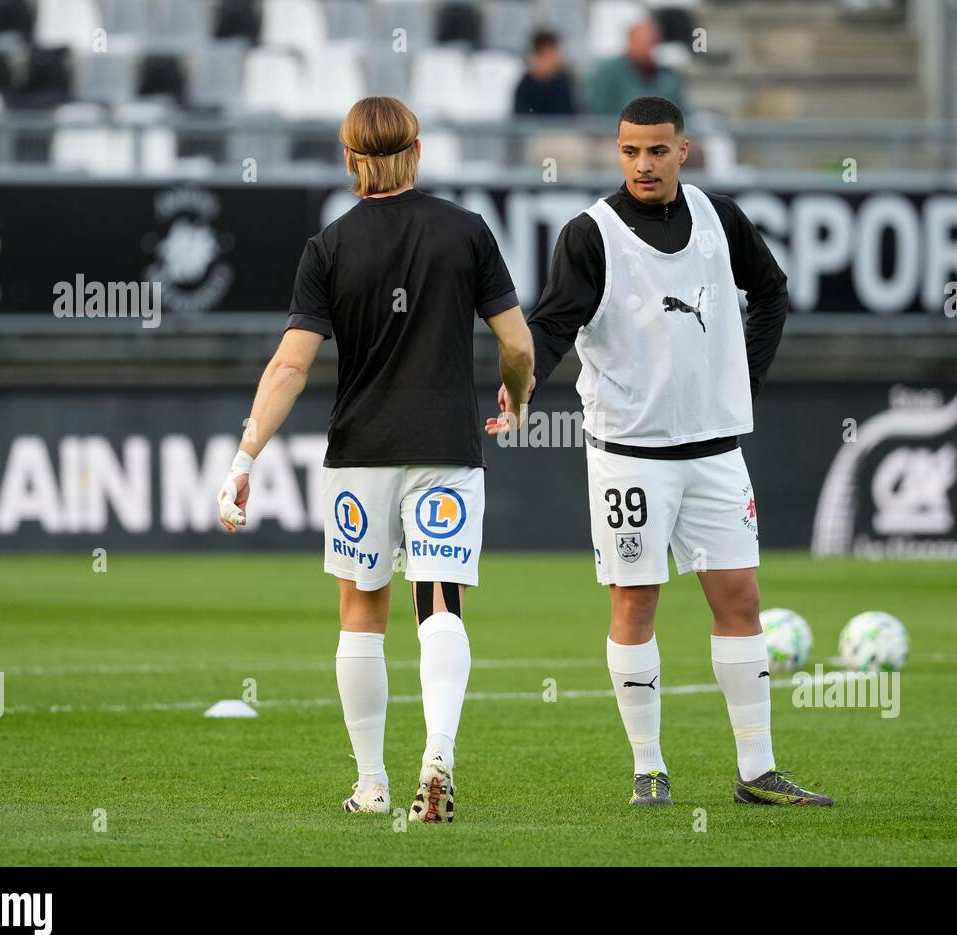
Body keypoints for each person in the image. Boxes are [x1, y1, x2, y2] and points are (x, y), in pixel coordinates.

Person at [489, 96, 831, 809]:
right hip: (630, 451)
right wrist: (519, 390)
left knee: (740, 598)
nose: (643, 164)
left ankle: (757, 770)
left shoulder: (720, 218)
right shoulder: (593, 233)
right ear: (619, 154)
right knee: (636, 601)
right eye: (629, 151)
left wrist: (746, 378)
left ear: (684, 149)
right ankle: (648, 767)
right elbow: (553, 324)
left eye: (657, 150)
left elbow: (770, 293)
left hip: (713, 452)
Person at [217, 96, 534, 823]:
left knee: (361, 612)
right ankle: (440, 753)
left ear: (349, 159)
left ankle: (372, 784)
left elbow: (290, 368)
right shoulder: (468, 232)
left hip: (360, 450)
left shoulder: (327, 247)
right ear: (416, 153)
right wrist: (515, 400)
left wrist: (244, 456)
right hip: (446, 447)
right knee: (440, 600)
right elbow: (517, 345)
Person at [586, 19, 685, 118]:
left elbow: (682, 111)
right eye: (645, 41)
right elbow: (599, 114)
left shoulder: (667, 75)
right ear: (630, 41)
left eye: (654, 41)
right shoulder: (607, 73)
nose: (650, 47)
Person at [513, 30, 576, 116]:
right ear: (538, 55)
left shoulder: (562, 82)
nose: (556, 58)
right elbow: (523, 120)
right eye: (550, 54)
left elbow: (569, 117)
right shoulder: (525, 87)